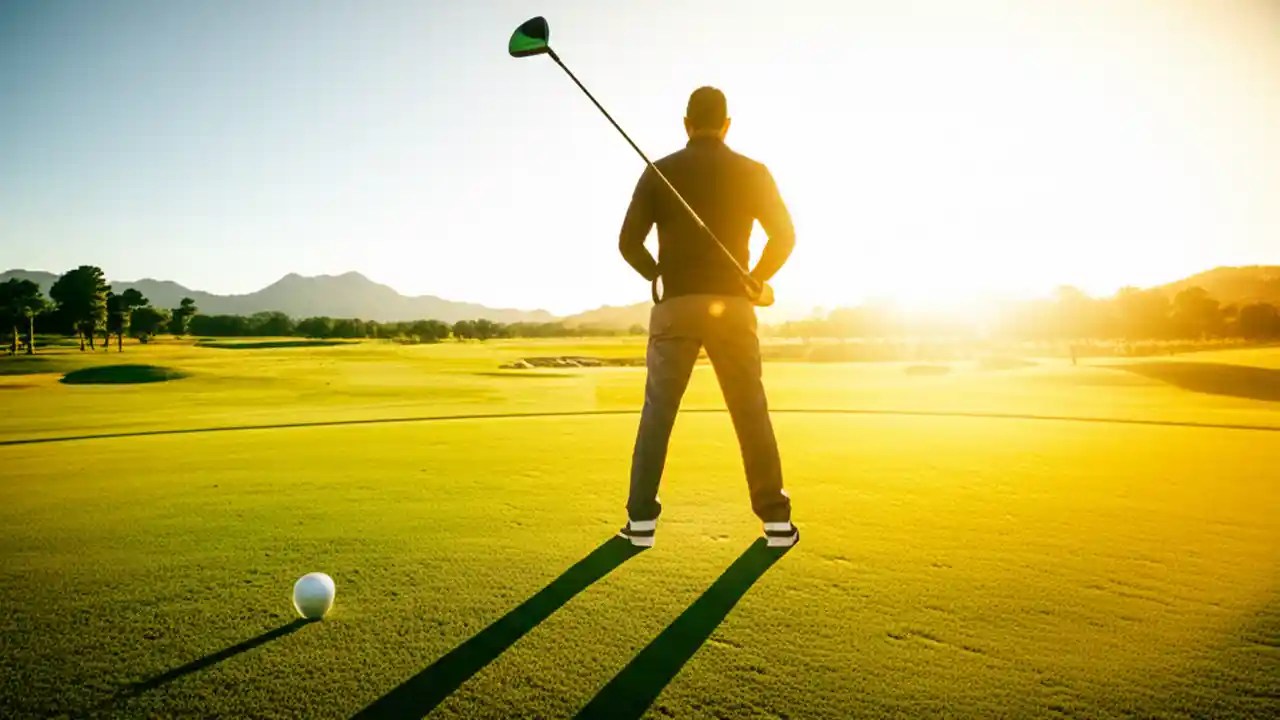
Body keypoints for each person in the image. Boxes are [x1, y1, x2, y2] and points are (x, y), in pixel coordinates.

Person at [615, 86, 798, 549]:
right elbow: (785, 237)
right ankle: (776, 523)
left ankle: (640, 525)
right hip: (733, 308)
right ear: (728, 124)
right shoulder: (753, 172)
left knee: (658, 413)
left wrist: (656, 274)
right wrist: (755, 278)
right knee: (749, 409)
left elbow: (627, 244)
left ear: (686, 123)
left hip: (675, 306)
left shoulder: (660, 171)